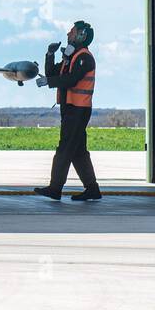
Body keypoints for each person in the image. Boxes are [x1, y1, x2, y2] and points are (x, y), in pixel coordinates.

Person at [34, 20, 101, 202]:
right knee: (78, 152)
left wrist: (50, 82)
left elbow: (72, 80)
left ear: (81, 36)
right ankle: (92, 189)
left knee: (65, 148)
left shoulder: (84, 58)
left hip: (78, 110)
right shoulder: (71, 58)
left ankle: (55, 188)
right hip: (70, 109)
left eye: (71, 33)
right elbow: (53, 73)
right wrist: (50, 54)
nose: (68, 35)